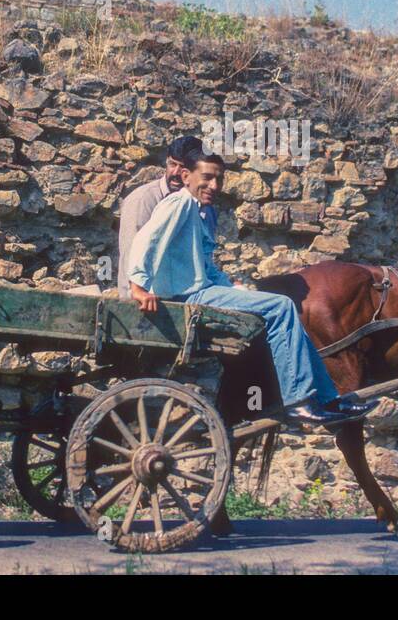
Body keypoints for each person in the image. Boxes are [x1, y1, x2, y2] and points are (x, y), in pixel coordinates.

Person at [125, 148, 373, 427]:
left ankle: (329, 398)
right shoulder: (180, 204)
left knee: (286, 315)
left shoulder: (198, 211)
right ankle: (298, 402)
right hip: (187, 296)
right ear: (185, 176)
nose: (214, 186)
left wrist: (232, 288)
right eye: (206, 178)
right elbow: (147, 241)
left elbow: (204, 267)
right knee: (281, 307)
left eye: (219, 180)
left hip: (199, 289)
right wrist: (138, 287)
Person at [116, 136, 207, 298]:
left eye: (184, 167)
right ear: (166, 162)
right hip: (147, 301)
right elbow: (131, 258)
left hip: (181, 296)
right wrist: (134, 298)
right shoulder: (143, 200)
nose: (176, 173)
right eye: (173, 164)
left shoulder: (199, 203)